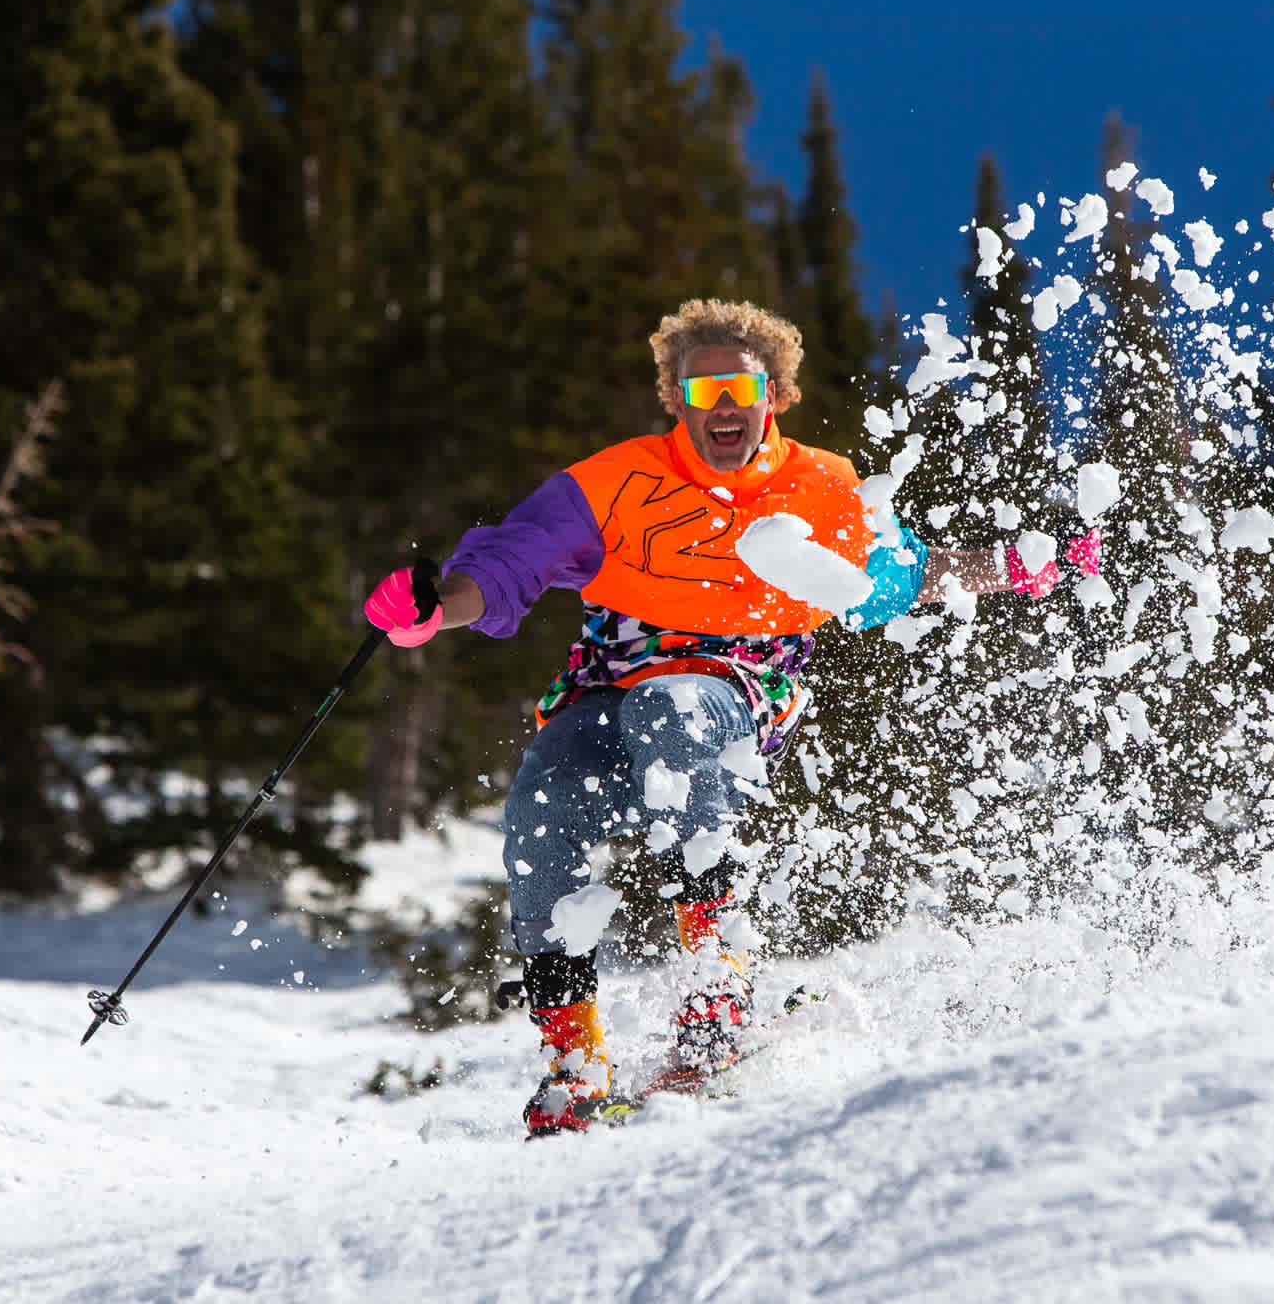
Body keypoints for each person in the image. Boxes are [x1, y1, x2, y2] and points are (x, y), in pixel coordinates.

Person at [362, 298, 1098, 1135]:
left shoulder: (821, 486)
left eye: (738, 388)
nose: (720, 408)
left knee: (674, 717)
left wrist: (1017, 566)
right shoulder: (613, 483)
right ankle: (574, 1062)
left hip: (736, 683)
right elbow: (506, 564)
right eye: (698, 389)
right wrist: (433, 610)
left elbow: (898, 577)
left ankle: (716, 1005)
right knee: (543, 801)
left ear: (774, 393)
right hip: (609, 683)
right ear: (675, 398)